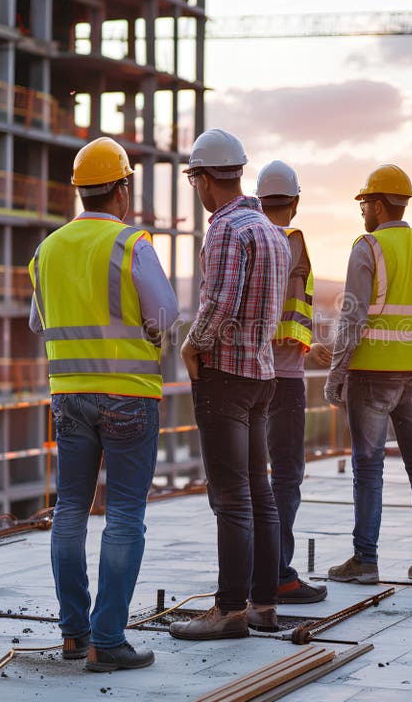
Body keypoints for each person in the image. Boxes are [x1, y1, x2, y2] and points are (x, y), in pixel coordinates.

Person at [28, 137, 179, 671]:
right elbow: (164, 315)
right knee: (123, 515)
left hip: (68, 395)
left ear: (78, 193)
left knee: (70, 511)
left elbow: (38, 321)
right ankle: (107, 640)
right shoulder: (130, 243)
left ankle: (74, 634)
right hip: (128, 396)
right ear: (121, 188)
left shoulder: (48, 249)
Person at [169, 129, 291, 640]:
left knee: (232, 498)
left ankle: (229, 610)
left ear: (202, 179)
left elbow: (218, 302)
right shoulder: (269, 229)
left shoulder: (224, 230)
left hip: (225, 377)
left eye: (194, 177)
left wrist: (192, 345)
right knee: (259, 494)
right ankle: (264, 604)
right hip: (262, 375)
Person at [324, 164, 412, 586]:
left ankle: (365, 560)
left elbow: (352, 318)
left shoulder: (367, 247)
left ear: (379, 205)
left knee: (368, 467)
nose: (362, 212)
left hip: (371, 376)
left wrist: (335, 375)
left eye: (364, 204)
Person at [255, 160, 331, 605]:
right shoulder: (290, 244)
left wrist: (310, 344)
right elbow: (285, 313)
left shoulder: (247, 239)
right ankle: (278, 574)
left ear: (260, 200)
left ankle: (252, 569)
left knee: (250, 477)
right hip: (283, 381)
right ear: (295, 202)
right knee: (285, 476)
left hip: (248, 375)